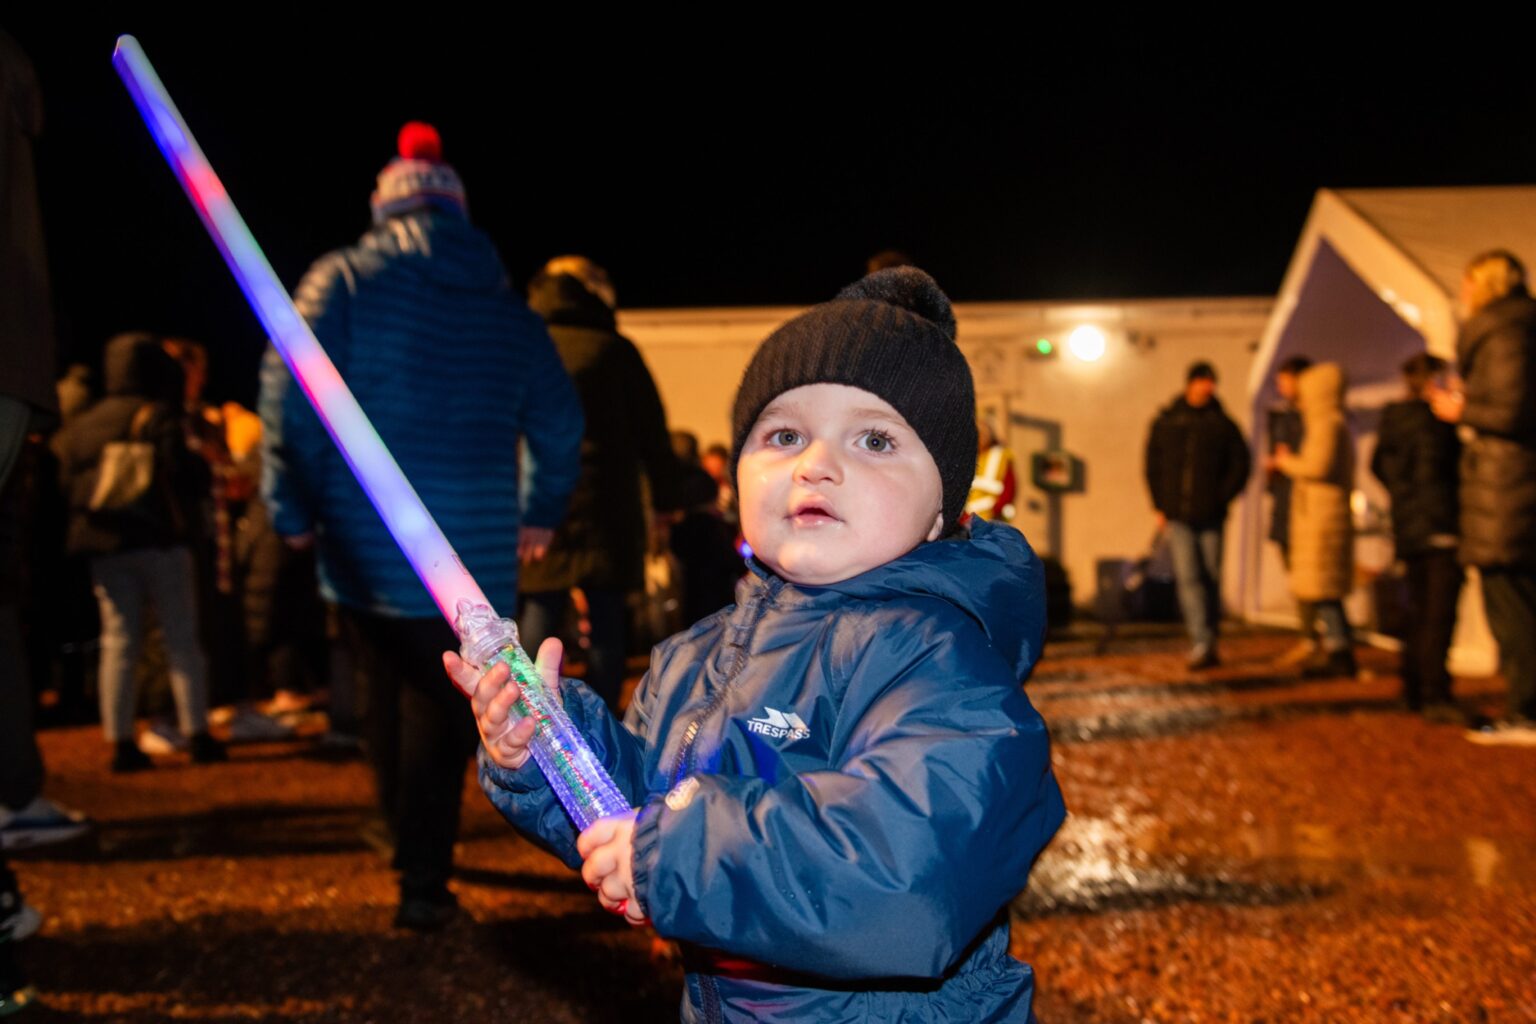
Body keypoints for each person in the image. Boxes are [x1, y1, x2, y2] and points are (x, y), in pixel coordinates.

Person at [450, 267, 1066, 1022]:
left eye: (875, 439)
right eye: (783, 435)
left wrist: (671, 854)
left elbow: (907, 875)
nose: (816, 464)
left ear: (942, 510)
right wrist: (548, 749)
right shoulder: (690, 659)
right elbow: (637, 807)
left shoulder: (940, 664)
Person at [259, 122, 582, 929]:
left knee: (379, 688)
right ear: (458, 212)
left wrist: (291, 510)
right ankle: (424, 879)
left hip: (364, 546)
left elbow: (288, 398)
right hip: (469, 554)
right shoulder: (510, 310)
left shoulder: (340, 282)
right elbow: (560, 419)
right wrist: (540, 509)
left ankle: (398, 835)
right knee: (442, 714)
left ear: (385, 207)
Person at [52, 332, 227, 771]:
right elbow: (186, 474)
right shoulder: (157, 414)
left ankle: (121, 742)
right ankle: (198, 733)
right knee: (181, 637)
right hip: (159, 541)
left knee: (118, 641)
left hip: (103, 544)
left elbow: (65, 483)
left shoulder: (84, 422)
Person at [517, 257, 681, 710]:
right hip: (608, 504)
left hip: (538, 501)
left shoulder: (524, 345)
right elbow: (652, 432)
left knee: (540, 606)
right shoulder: (613, 349)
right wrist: (666, 499)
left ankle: (530, 718)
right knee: (607, 619)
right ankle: (601, 721)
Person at [1430, 250, 1536, 742]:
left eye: (1468, 283)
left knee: (1511, 602)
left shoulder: (1504, 332)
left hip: (1508, 486)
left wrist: (1462, 409)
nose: (1463, 293)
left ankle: (1526, 710)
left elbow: (1512, 410)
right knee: (1517, 598)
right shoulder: (1516, 328)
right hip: (1510, 484)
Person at [1144, 361, 1251, 669]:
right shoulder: (1168, 422)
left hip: (1212, 514)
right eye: (1203, 381)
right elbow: (1153, 466)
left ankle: (1210, 638)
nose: (1207, 387)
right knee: (1189, 578)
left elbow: (1240, 465)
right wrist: (1160, 504)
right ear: (1190, 383)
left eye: (1211, 382)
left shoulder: (1223, 425)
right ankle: (1201, 641)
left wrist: (1222, 497)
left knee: (1210, 577)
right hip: (1178, 515)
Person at [1372, 354, 1462, 714]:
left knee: (1417, 607)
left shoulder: (1394, 420)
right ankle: (1433, 691)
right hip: (1437, 525)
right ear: (1432, 383)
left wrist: (1401, 498)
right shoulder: (1434, 424)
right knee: (1438, 612)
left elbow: (1378, 465)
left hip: (1409, 525)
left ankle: (1413, 685)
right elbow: (1435, 475)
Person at [1268, 363, 1356, 678]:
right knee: (1322, 587)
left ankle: (1339, 651)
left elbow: (1317, 465)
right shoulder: (1329, 422)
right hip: (1318, 515)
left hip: (1322, 518)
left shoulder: (1326, 424)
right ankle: (1335, 649)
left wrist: (1286, 462)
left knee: (1324, 588)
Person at [967, 417, 1017, 521]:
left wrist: (996, 509)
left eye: (984, 434)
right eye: (978, 434)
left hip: (991, 518)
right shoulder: (968, 456)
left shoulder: (1001, 456)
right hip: (966, 519)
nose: (981, 438)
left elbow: (1010, 487)